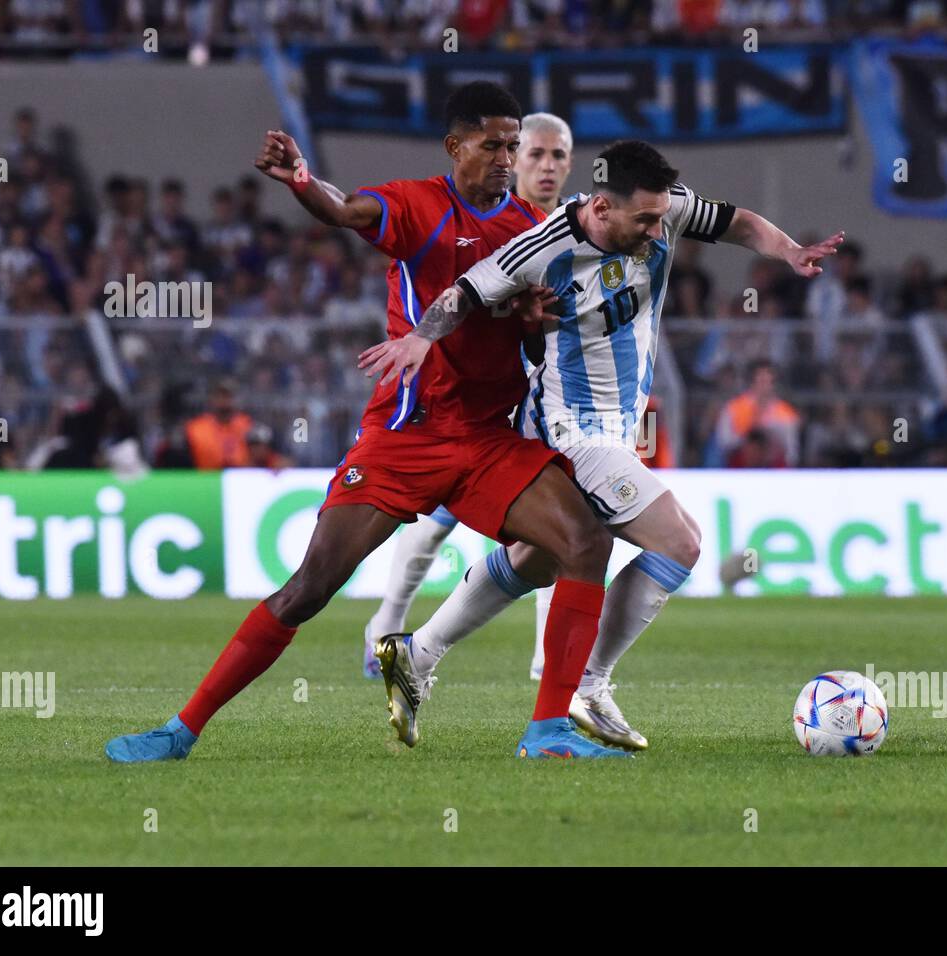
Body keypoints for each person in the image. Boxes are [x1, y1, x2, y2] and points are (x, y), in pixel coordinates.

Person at [104, 81, 627, 763]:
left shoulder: (531, 234)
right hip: (406, 436)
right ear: (455, 146)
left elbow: (531, 344)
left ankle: (547, 731)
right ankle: (181, 729)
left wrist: (534, 326)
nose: (506, 158)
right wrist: (301, 182)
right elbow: (347, 210)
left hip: (485, 438)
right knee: (307, 590)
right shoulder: (417, 204)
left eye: (512, 146)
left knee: (584, 540)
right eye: (493, 145)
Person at [358, 139, 843, 750]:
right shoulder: (545, 246)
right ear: (603, 208)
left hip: (616, 429)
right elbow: (465, 292)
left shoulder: (664, 210)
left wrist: (790, 251)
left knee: (540, 560)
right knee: (680, 541)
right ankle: (589, 683)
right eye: (642, 219)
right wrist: (422, 339)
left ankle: (417, 653)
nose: (656, 228)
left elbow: (738, 222)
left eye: (660, 215)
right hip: (564, 427)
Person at [362, 111, 576, 683]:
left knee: (564, 526)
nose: (545, 166)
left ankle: (545, 662)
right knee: (434, 524)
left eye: (559, 156)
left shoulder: (571, 227)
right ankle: (389, 621)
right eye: (535, 154)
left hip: (539, 399)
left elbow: (547, 336)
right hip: (463, 406)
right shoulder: (490, 217)